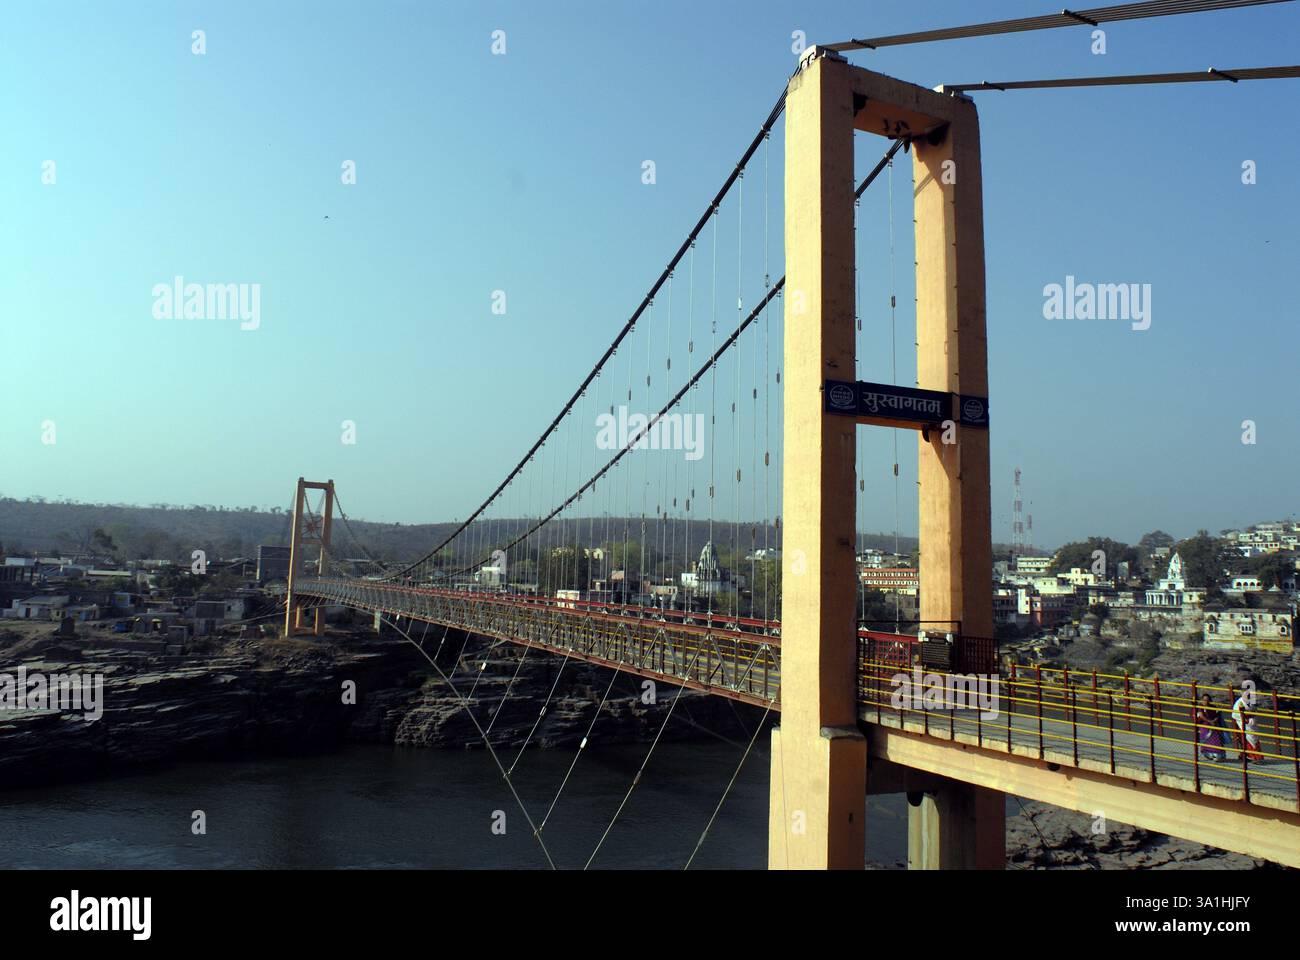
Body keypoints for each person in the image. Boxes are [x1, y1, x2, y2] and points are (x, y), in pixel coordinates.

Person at [1231, 688, 1263, 764]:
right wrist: (1248, 714)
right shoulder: (1239, 703)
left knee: (1254, 740)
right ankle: (1254, 757)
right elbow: (1237, 714)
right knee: (1246, 741)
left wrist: (1252, 713)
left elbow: (1254, 709)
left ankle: (1249, 756)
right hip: (1243, 723)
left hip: (1251, 723)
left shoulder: (1250, 701)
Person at [1195, 695, 1227, 763]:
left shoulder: (1213, 707)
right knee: (1209, 738)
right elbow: (1201, 716)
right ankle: (1210, 754)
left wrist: (1215, 720)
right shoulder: (1200, 707)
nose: (1205, 701)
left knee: (1217, 738)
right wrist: (1210, 721)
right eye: (1204, 700)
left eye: (1207, 700)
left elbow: (1217, 715)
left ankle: (1218, 755)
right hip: (1205, 725)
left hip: (1213, 725)